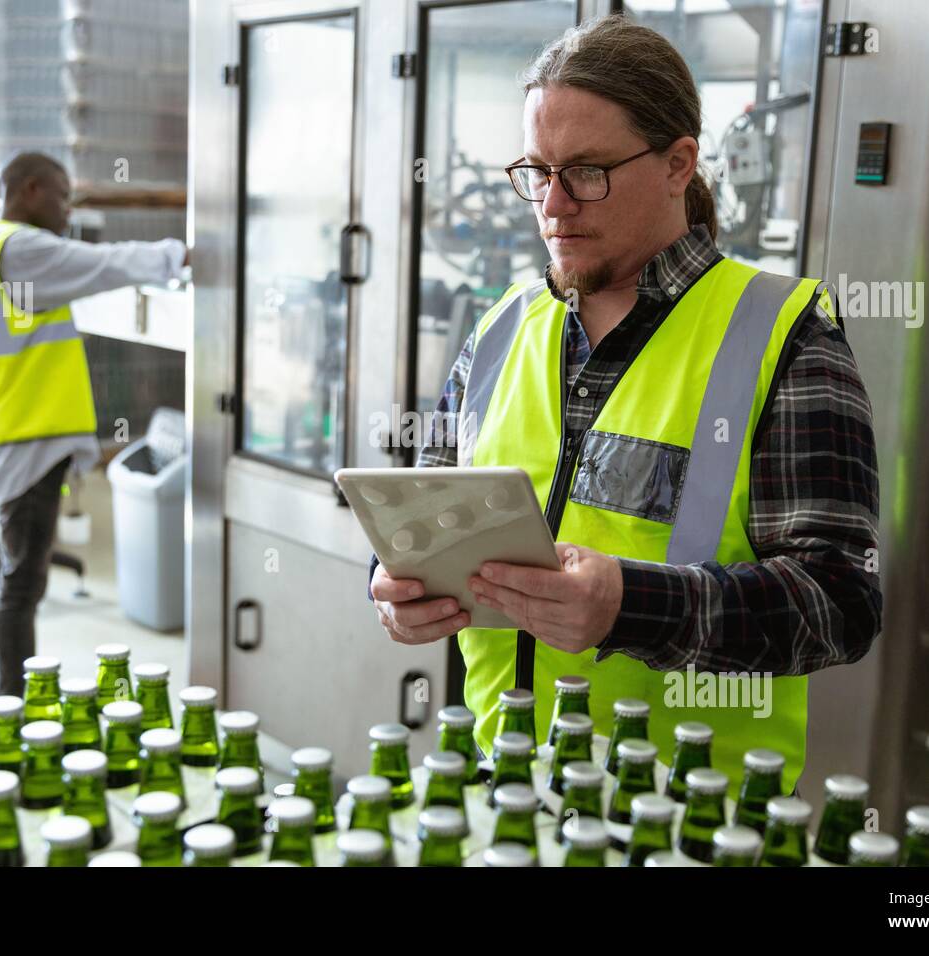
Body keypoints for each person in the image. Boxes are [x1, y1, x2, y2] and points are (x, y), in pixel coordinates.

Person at [368, 17, 881, 794]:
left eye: (588, 171)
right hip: (507, 784)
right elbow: (423, 511)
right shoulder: (502, 324)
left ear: (679, 164)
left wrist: (628, 607)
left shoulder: (786, 336)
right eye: (537, 171)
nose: (554, 204)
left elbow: (840, 601)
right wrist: (392, 584)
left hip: (687, 810)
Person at [0, 152, 188, 696]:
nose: (67, 210)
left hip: (12, 429)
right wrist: (180, 254)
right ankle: (12, 699)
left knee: (8, 567)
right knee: (23, 581)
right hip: (28, 438)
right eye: (61, 196)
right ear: (30, 190)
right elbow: (101, 264)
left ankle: (2, 687)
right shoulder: (20, 249)